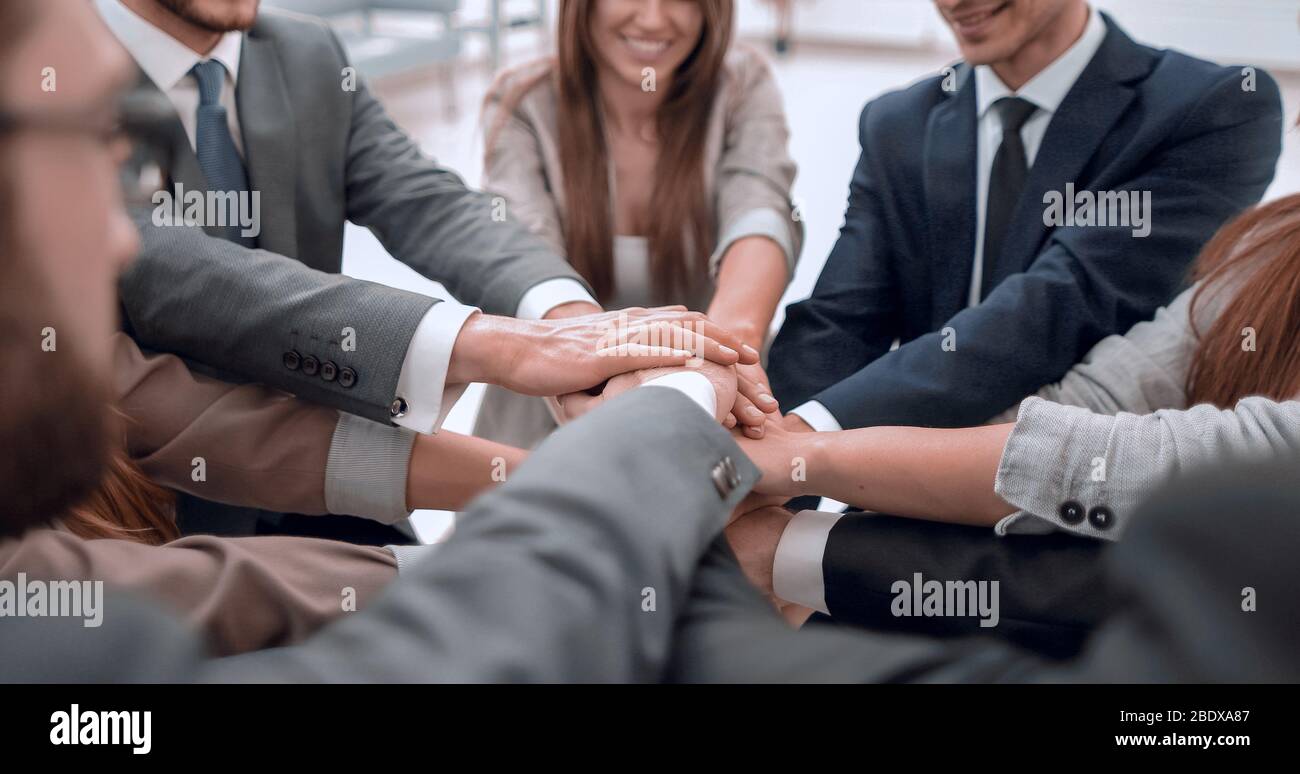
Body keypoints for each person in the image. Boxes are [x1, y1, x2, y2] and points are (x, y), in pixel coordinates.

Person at [4, 0, 1298, 685]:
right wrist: (617, 422)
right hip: (615, 447)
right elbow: (189, 384)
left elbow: (767, 218)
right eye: (96, 160)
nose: (124, 244)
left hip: (686, 447)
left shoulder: (1211, 116)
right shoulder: (537, 102)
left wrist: (724, 417)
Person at [97, 0, 761, 541]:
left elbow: (428, 202)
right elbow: (171, 268)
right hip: (145, 519)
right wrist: (496, 348)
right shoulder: (47, 70)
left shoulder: (304, 52)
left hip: (333, 490)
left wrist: (581, 333)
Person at [728, 191, 1300, 621]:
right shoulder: (1272, 249)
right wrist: (812, 489)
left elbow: (1188, 462)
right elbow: (1096, 400)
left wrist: (804, 473)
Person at [767, 0, 1282, 436]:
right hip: (891, 496)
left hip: (1084, 496)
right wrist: (775, 451)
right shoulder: (899, 122)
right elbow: (840, 321)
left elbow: (1062, 301)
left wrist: (814, 432)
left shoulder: (1209, 109)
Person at [474, 0, 802, 448]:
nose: (652, 18)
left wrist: (729, 350)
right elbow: (524, 249)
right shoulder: (524, 100)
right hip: (551, 402)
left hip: (713, 395)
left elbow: (759, 207)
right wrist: (590, 360)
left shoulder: (741, 85)